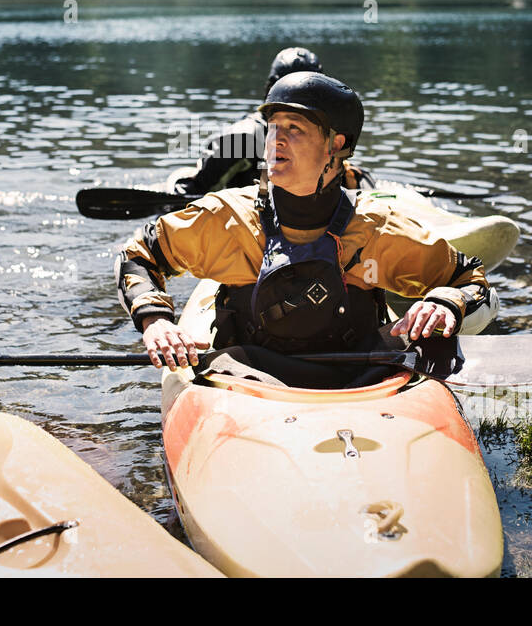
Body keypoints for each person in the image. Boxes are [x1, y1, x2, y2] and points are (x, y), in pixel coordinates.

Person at [118, 73, 497, 389]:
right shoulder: (228, 218)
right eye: (273, 128)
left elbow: (470, 278)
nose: (275, 141)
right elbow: (139, 256)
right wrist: (157, 321)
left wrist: (444, 302)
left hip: (359, 376)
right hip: (246, 377)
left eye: (294, 129)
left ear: (337, 144)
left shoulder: (377, 228)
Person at [172, 47, 374, 196]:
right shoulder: (242, 138)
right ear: (270, 90)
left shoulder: (325, 139)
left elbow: (358, 181)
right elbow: (192, 190)